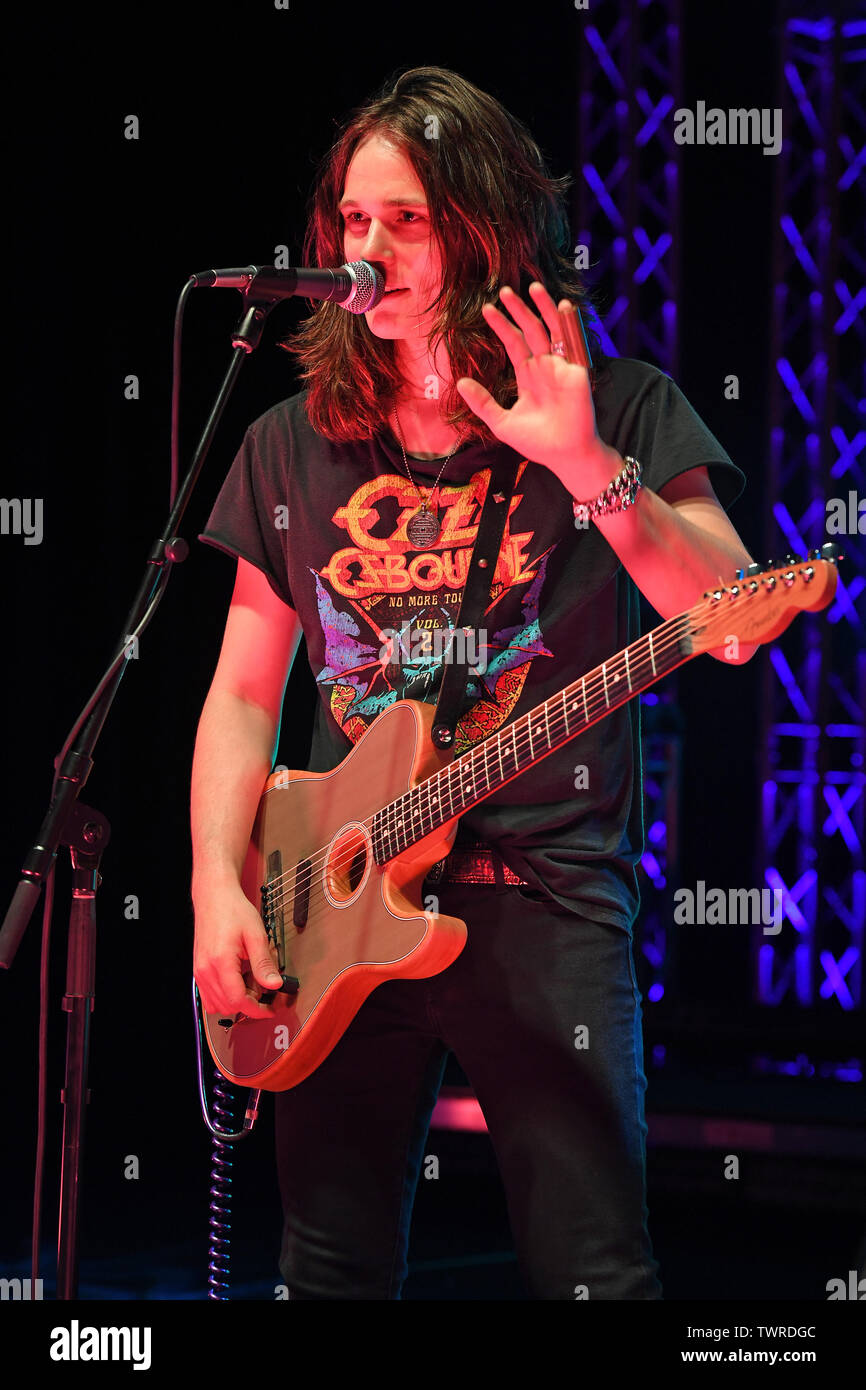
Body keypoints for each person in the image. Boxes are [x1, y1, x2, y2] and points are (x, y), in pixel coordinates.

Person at [191, 65, 755, 1300]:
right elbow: (242, 691)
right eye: (353, 219)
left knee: (593, 1273)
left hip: (545, 899)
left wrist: (584, 462)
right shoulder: (292, 439)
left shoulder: (618, 406)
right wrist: (212, 890)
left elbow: (726, 621)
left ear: (484, 226)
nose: (369, 246)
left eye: (407, 219)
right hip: (329, 906)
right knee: (328, 1269)